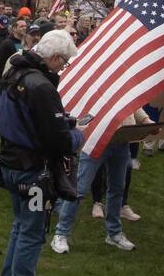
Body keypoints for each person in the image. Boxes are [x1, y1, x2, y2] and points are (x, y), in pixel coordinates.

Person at [0, 28, 82, 276]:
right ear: (54, 57)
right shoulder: (41, 86)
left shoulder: (15, 73)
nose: (64, 67)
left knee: (20, 227)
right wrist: (76, 136)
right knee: (31, 233)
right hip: (31, 169)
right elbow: (55, 138)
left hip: (10, 162)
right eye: (64, 62)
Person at [51, 101, 155, 255]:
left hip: (121, 141)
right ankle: (60, 233)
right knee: (79, 190)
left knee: (117, 188)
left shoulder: (123, 82)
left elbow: (132, 101)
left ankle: (114, 233)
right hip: (96, 140)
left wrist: (146, 121)